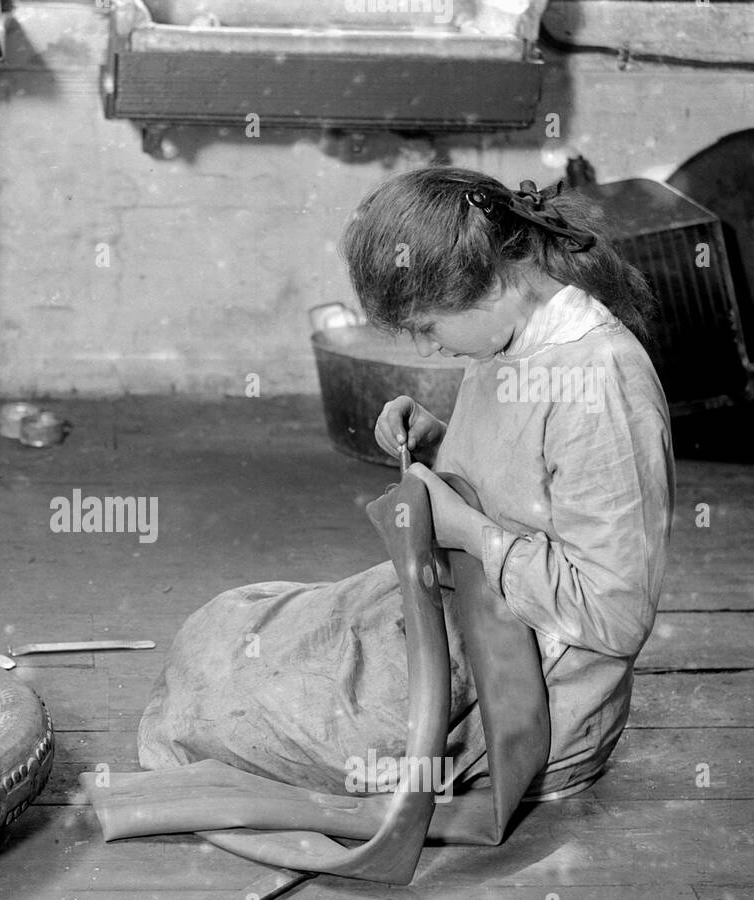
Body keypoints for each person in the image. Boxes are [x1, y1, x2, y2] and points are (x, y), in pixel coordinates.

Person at [138, 167, 676, 804]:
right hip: (461, 612)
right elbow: (534, 480)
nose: (430, 347)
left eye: (428, 326)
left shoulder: (602, 385)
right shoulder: (519, 335)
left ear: (497, 281)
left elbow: (613, 615)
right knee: (218, 631)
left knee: (218, 712)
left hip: (523, 692)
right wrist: (440, 439)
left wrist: (468, 530)